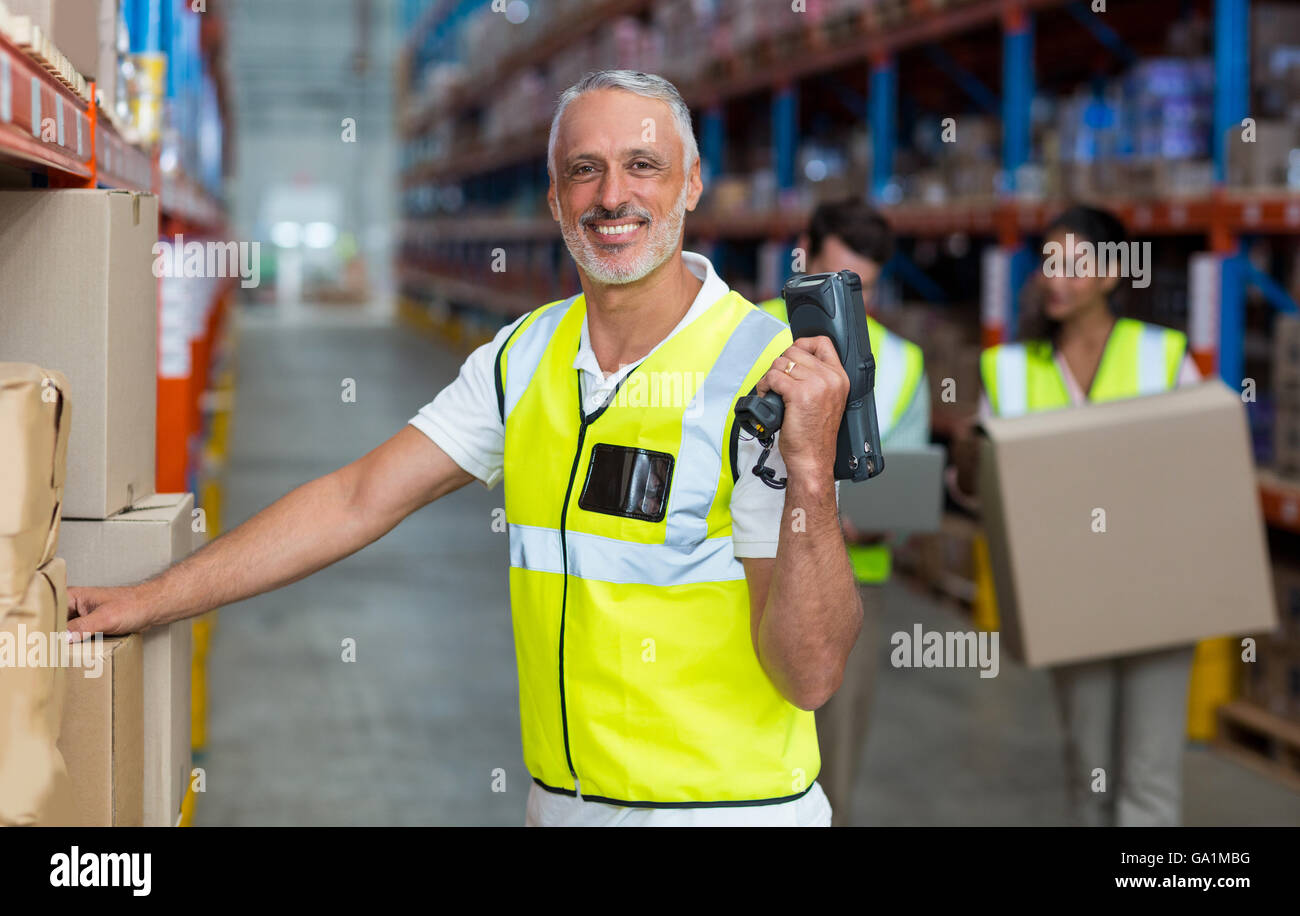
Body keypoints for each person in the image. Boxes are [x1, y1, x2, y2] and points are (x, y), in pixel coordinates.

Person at [66, 70, 862, 827]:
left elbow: (811, 672)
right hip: (563, 804)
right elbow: (357, 498)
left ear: (690, 183)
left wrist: (812, 478)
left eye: (642, 165)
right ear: (555, 199)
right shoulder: (525, 359)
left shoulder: (767, 377)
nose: (612, 196)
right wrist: (151, 597)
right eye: (584, 171)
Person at [977, 204, 1202, 826]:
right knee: (1089, 770)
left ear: (1112, 274)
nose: (1055, 277)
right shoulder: (1010, 368)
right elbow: (984, 486)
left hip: (1158, 593)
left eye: (1074, 264)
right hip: (1072, 596)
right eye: (1048, 262)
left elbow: (1198, 472)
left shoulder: (1163, 356)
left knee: (1149, 778)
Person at [755, 198, 929, 824]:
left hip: (852, 583)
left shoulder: (902, 361)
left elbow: (906, 485)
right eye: (836, 284)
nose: (851, 307)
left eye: (864, 289)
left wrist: (854, 517)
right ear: (805, 253)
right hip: (746, 570)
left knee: (832, 774)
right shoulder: (744, 333)